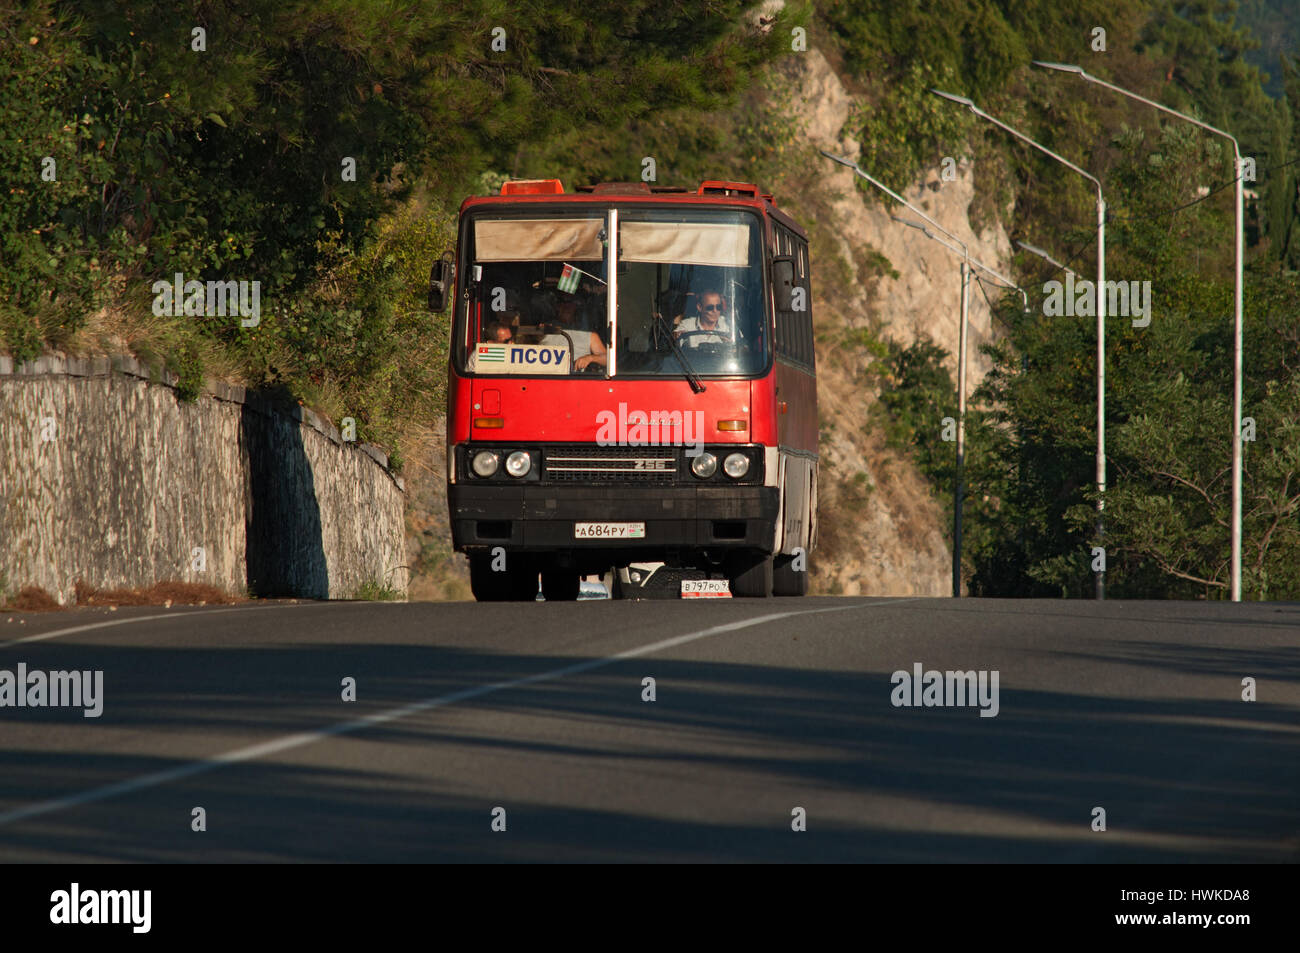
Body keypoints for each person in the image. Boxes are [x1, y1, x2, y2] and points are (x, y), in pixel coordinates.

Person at [540, 296, 607, 371]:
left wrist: (590, 358)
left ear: (576, 307)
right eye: (563, 303)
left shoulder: (589, 335)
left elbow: (607, 359)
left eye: (570, 303)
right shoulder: (546, 329)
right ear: (557, 306)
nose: (567, 307)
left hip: (576, 378)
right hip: (546, 377)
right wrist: (538, 334)